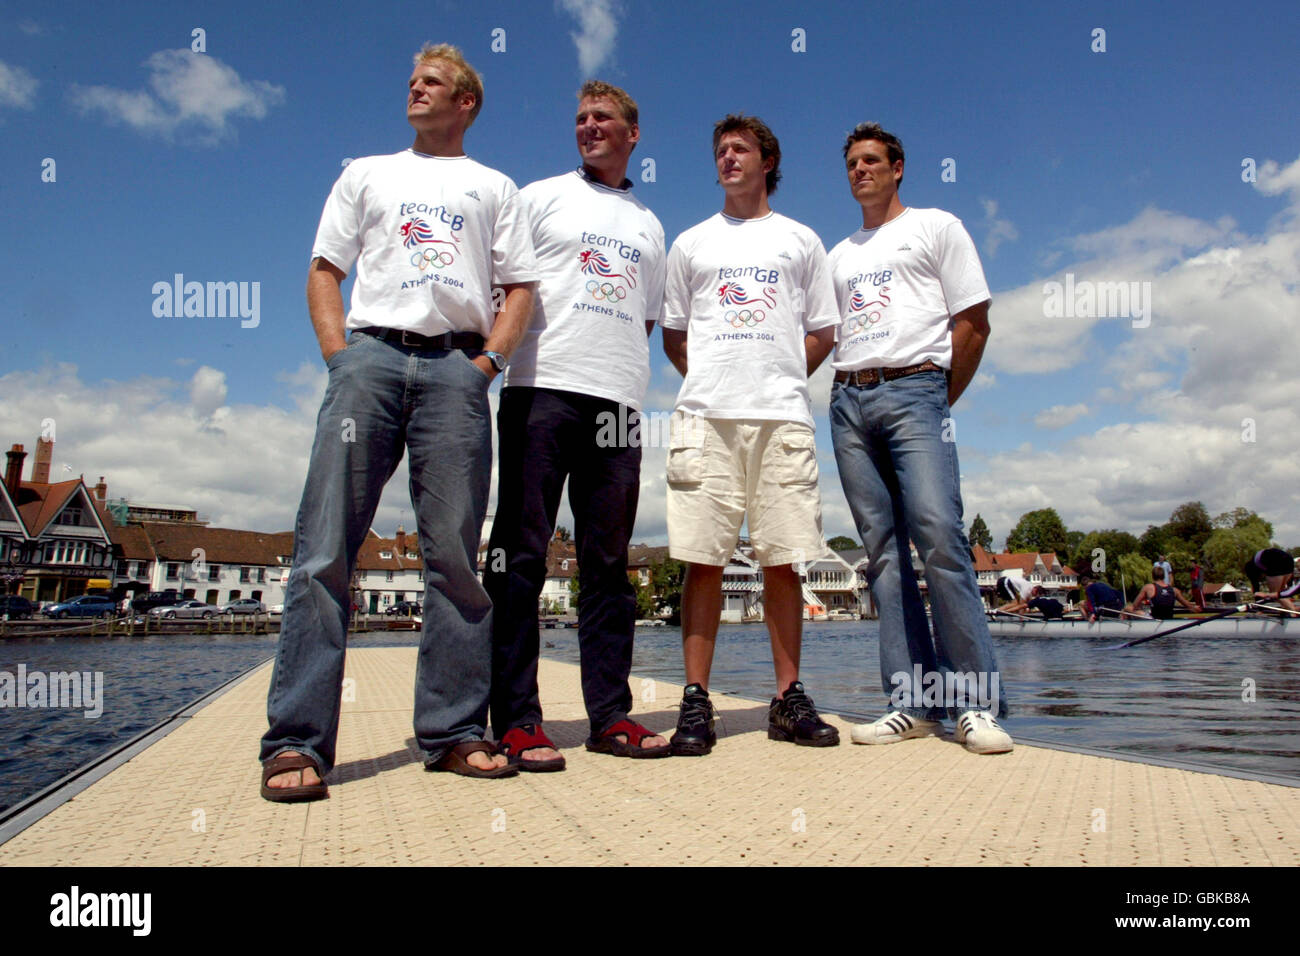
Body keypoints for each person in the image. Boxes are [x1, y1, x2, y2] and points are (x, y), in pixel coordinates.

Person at [259, 44, 539, 799]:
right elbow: (325, 269)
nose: (415, 87)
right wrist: (338, 356)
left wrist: (487, 365)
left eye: (433, 81)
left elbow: (520, 287)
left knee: (453, 556)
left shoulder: (494, 187)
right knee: (325, 549)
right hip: (371, 360)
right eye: (412, 79)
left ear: (466, 102)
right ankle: (295, 743)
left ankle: (452, 731)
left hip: (456, 371)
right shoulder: (366, 174)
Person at [484, 81, 669, 770]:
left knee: (608, 565)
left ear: (633, 134)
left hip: (617, 403)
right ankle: (518, 719)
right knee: (520, 555)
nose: (590, 127)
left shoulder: (651, 224)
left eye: (604, 119)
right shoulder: (539, 197)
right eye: (582, 119)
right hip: (540, 389)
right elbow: (502, 283)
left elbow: (645, 318)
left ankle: (610, 716)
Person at [827, 123, 1011, 754]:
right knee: (881, 552)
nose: (860, 170)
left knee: (940, 538)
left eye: (872, 160)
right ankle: (913, 699)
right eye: (852, 163)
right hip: (848, 399)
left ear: (898, 166)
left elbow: (975, 323)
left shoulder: (937, 226)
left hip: (917, 391)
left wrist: (935, 397)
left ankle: (976, 704)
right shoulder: (838, 254)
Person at [661, 114, 840, 755]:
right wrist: (718, 378)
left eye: (739, 149)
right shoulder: (691, 244)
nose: (727, 158)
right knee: (704, 559)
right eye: (720, 150)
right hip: (706, 416)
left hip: (783, 418)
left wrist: (779, 375)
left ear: (768, 161)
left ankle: (787, 698)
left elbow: (822, 330)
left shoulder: (802, 241)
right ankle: (696, 701)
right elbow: (674, 335)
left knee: (783, 558)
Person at [1127, 567, 1198, 620]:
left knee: (1127, 608)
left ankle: (1123, 627)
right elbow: (1190, 607)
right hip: (1169, 619)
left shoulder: (1148, 587)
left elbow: (1134, 606)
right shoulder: (1174, 590)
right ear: (1164, 576)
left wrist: (1140, 608)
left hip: (1154, 619)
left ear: (1153, 576)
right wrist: (1196, 608)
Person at [1243, 548, 1299, 614]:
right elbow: (1287, 589)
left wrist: (1259, 609)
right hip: (1289, 560)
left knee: (1275, 594)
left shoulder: (1250, 569)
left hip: (1277, 561)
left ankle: (1293, 612)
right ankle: (1288, 610)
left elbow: (1256, 590)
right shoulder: (1260, 562)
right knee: (1281, 592)